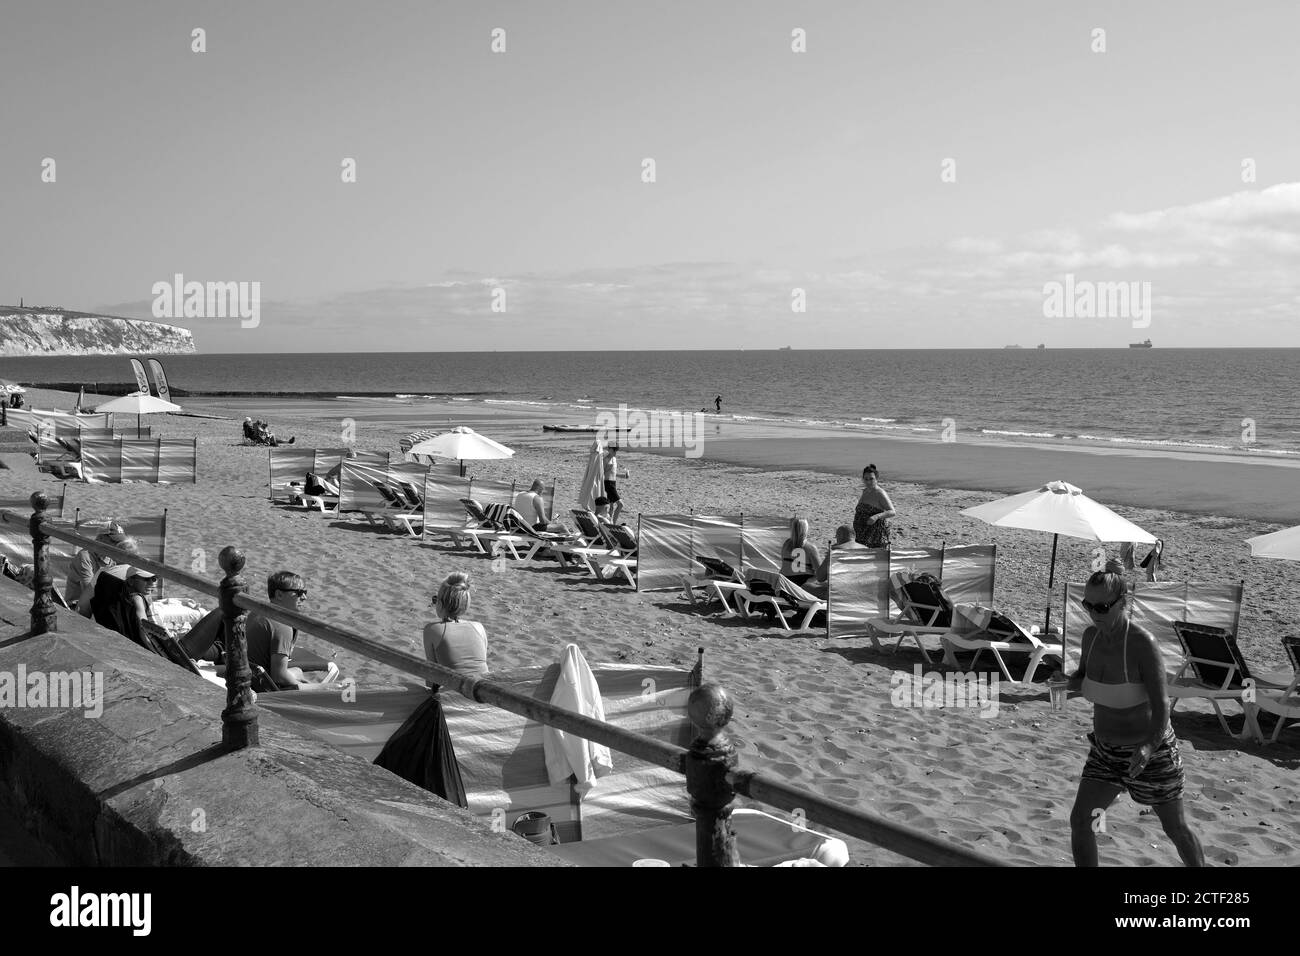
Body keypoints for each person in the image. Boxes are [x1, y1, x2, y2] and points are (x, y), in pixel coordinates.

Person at [1054, 559, 1203, 867]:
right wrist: (1064, 683)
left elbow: (1162, 705)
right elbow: (1082, 679)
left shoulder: (1141, 643)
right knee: (1082, 821)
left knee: (1175, 828)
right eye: (1087, 606)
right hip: (1105, 751)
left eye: (1102, 608)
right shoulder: (1090, 637)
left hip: (1149, 751)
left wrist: (1148, 747)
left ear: (1122, 602)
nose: (1094, 614)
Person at [244, 571, 323, 688]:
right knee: (327, 688)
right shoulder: (283, 626)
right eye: (299, 593)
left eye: (305, 592)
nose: (304, 597)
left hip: (246, 674)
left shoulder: (256, 612)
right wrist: (314, 688)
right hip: (260, 686)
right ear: (279, 595)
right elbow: (279, 677)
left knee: (298, 671)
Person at [422, 572, 488, 685]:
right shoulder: (479, 627)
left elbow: (431, 676)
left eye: (435, 599)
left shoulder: (432, 630)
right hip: (484, 694)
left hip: (453, 697)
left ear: (441, 604)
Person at [66, 522, 132, 611]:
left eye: (119, 542)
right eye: (113, 541)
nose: (116, 546)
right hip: (77, 607)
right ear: (100, 538)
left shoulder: (112, 558)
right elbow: (89, 592)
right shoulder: (85, 556)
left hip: (99, 606)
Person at [78, 533, 141, 617]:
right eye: (112, 541)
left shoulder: (103, 573)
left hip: (103, 623)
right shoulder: (143, 576)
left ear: (114, 556)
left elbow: (83, 605)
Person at [853, 464, 896, 548]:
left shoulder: (880, 493)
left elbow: (892, 512)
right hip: (861, 533)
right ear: (863, 479)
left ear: (876, 479)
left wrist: (876, 517)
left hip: (875, 535)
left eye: (871, 479)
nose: (868, 481)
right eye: (866, 479)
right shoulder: (865, 491)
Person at [780, 518, 822, 587]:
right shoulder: (810, 548)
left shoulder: (786, 544)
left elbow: (784, 564)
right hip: (803, 583)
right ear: (805, 529)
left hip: (785, 581)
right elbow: (820, 574)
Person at [603, 445, 625, 523]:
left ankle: (610, 524)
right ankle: (614, 525)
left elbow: (613, 473)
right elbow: (600, 473)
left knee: (611, 507)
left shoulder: (614, 459)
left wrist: (623, 476)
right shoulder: (605, 459)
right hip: (608, 483)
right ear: (609, 449)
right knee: (620, 504)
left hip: (613, 483)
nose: (615, 452)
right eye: (614, 450)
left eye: (616, 450)